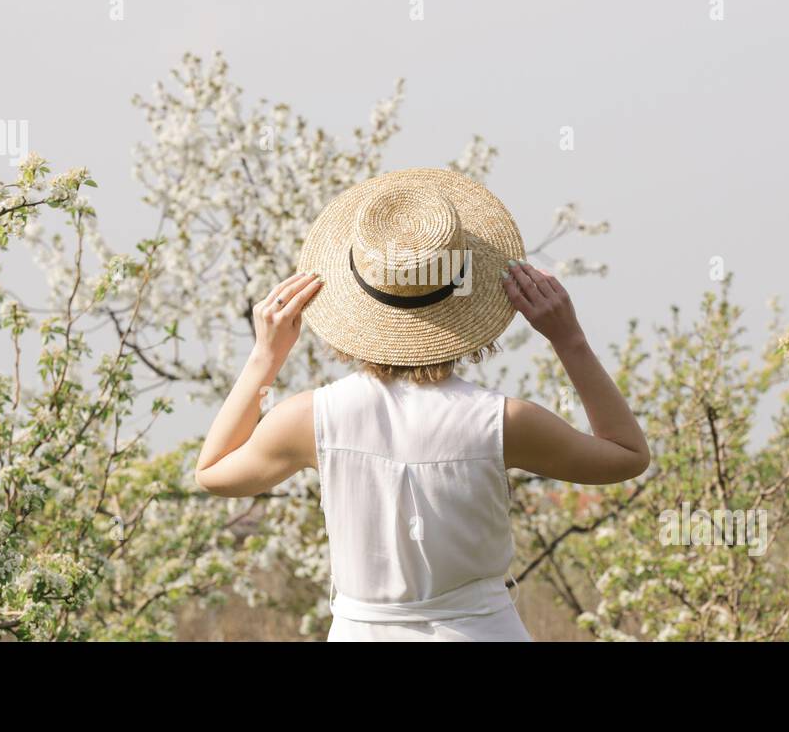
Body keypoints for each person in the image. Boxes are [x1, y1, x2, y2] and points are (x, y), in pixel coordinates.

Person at [195, 167, 650, 641]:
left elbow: (212, 471)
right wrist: (569, 339)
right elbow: (628, 455)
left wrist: (264, 357)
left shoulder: (309, 419)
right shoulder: (504, 422)